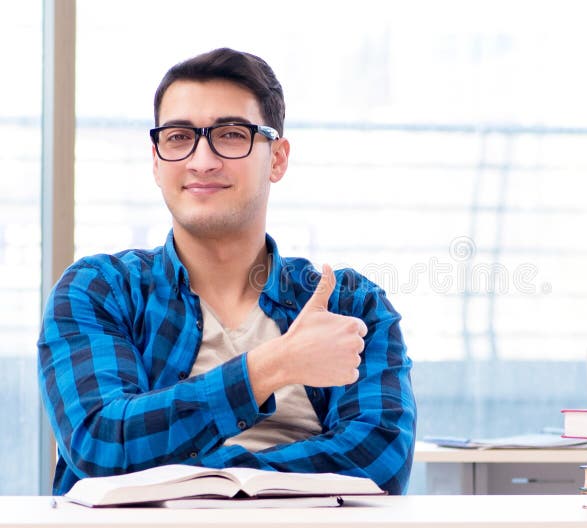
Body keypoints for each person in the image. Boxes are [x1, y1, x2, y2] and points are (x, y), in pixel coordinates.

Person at [37, 48, 416, 496]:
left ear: (277, 158)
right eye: (179, 137)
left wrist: (205, 479)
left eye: (231, 135)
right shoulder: (101, 290)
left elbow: (380, 457)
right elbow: (100, 443)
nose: (202, 160)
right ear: (157, 161)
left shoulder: (348, 304)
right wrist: (271, 367)